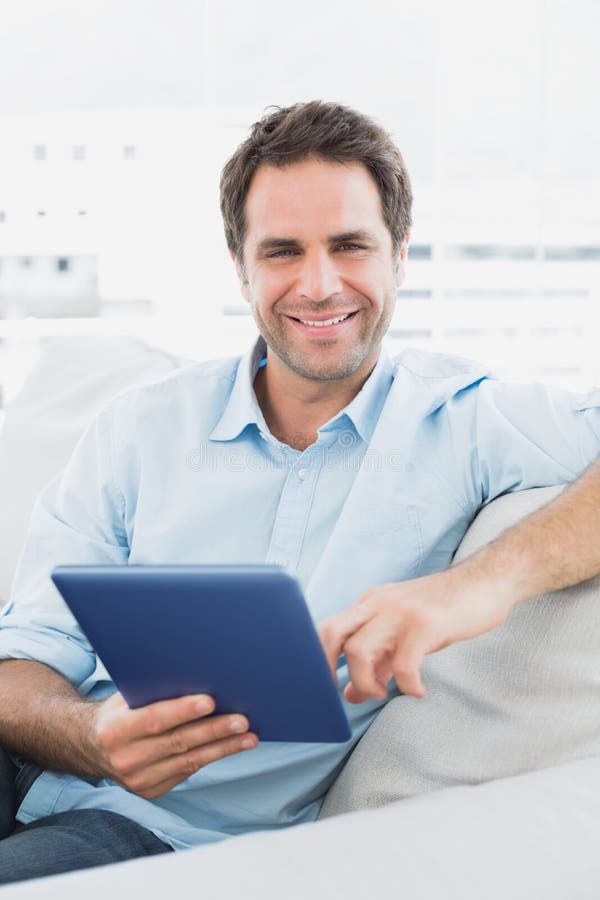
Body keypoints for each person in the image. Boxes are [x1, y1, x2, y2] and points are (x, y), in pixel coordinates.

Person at [1, 99, 599, 884]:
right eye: (283, 251)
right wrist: (89, 734)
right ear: (241, 267)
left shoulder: (466, 419)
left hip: (156, 830)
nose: (319, 285)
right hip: (38, 759)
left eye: (350, 245)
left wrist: (478, 586)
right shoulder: (138, 429)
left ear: (399, 255)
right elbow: (23, 660)